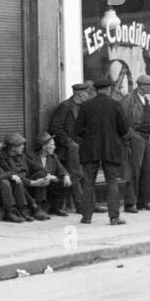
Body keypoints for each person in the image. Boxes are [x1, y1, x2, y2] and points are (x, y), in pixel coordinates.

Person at [74, 76, 130, 225]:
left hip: (90, 149)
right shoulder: (116, 105)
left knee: (88, 183)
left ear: (95, 90)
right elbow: (124, 129)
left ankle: (86, 217)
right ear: (109, 89)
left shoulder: (86, 106)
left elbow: (77, 130)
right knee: (112, 182)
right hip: (111, 149)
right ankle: (114, 217)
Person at [49, 82, 91, 213]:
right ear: (79, 95)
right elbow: (55, 128)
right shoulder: (65, 106)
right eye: (86, 94)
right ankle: (80, 205)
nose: (88, 96)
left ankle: (88, 203)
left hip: (83, 147)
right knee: (75, 175)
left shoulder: (84, 106)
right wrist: (70, 143)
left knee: (86, 175)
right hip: (69, 149)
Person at [123, 75, 150, 212]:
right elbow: (122, 120)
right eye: (149, 85)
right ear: (141, 85)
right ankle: (130, 203)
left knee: (148, 169)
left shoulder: (146, 99)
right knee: (134, 170)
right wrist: (132, 136)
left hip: (148, 136)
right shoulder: (129, 99)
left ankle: (144, 201)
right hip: (137, 136)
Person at [0, 133, 49, 221]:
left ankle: (39, 207)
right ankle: (33, 208)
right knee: (18, 181)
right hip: (15, 186)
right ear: (13, 147)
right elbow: (12, 174)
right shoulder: (2, 158)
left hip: (26, 183)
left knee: (41, 174)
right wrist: (33, 183)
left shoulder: (21, 155)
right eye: (20, 145)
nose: (23, 147)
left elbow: (34, 165)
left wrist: (48, 174)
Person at [0, 139, 33, 223]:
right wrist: (9, 174)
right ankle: (9, 212)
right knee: (4, 182)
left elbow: (2, 173)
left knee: (15, 181)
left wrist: (12, 176)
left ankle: (22, 209)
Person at [29, 132, 73, 217]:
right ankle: (39, 208)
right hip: (35, 187)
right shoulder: (32, 156)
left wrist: (66, 176)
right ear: (44, 146)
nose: (54, 147)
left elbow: (61, 169)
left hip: (48, 185)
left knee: (62, 181)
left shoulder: (53, 157)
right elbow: (33, 172)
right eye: (52, 145)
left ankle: (56, 207)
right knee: (41, 174)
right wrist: (48, 175)